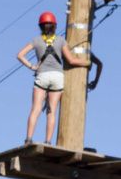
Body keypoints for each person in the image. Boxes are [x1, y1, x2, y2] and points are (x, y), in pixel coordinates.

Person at [16, 12, 89, 146]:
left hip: (42, 76)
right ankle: (48, 141)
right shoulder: (60, 40)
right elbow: (71, 60)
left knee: (36, 109)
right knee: (51, 111)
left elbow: (20, 55)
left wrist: (32, 66)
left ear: (41, 26)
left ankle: (28, 139)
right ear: (55, 26)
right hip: (57, 77)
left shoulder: (36, 40)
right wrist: (87, 63)